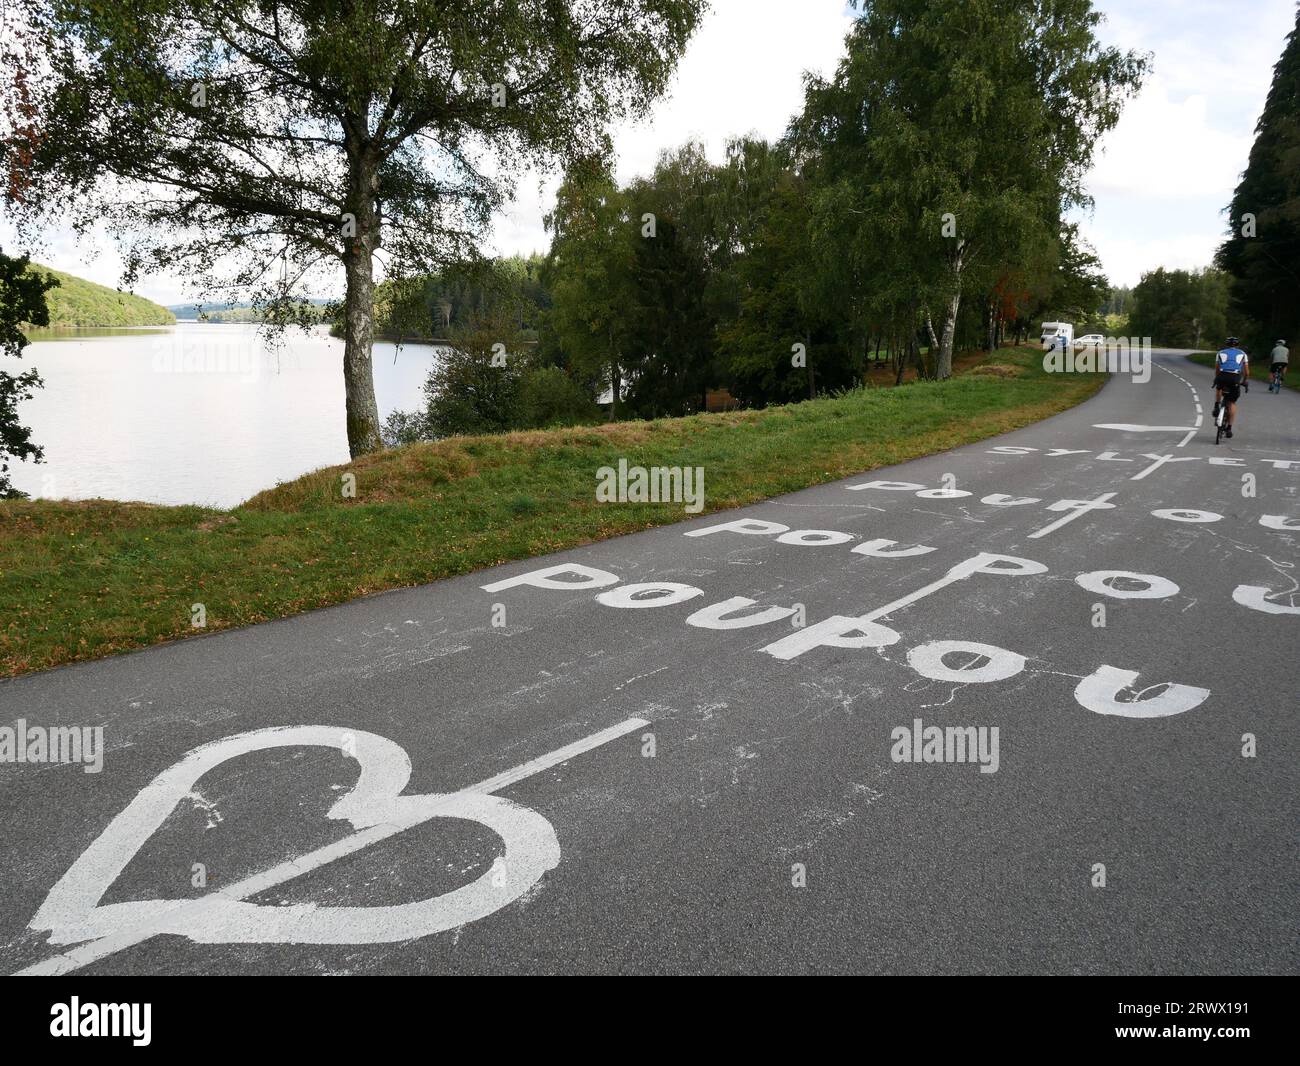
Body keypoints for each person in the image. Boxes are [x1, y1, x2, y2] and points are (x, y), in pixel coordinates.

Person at [1211, 337, 1249, 437]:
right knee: (1232, 402)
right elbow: (1247, 372)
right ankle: (1229, 429)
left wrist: (1217, 378)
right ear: (1237, 345)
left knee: (1219, 387)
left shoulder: (1220, 353)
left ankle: (1216, 406)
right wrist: (1244, 381)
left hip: (1223, 375)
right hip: (1235, 377)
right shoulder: (1243, 354)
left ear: (1226, 344)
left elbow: (1217, 369)